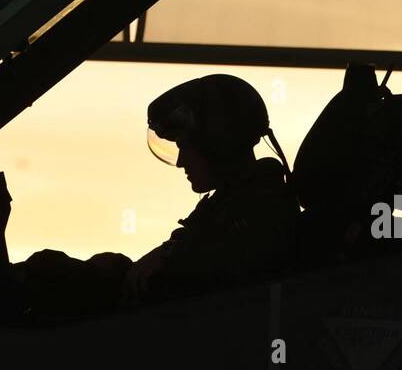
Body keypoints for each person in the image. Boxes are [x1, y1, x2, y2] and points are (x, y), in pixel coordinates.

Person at [15, 74, 300, 319]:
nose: (180, 162)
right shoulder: (236, 203)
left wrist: (165, 259)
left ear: (218, 143)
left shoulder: (259, 210)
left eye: (184, 146)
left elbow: (208, 281)